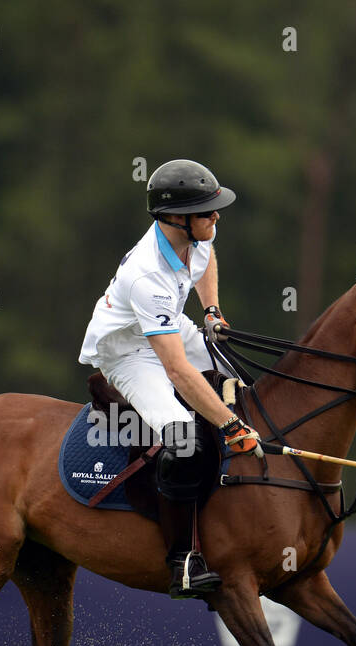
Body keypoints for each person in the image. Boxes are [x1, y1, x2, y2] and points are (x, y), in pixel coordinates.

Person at [78, 159, 260, 598]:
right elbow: (177, 369)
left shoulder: (195, 236)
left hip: (167, 325)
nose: (215, 216)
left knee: (242, 379)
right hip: (127, 352)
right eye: (206, 210)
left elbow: (206, 257)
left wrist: (212, 310)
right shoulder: (148, 276)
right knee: (182, 435)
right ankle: (183, 561)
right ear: (175, 219)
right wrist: (230, 426)